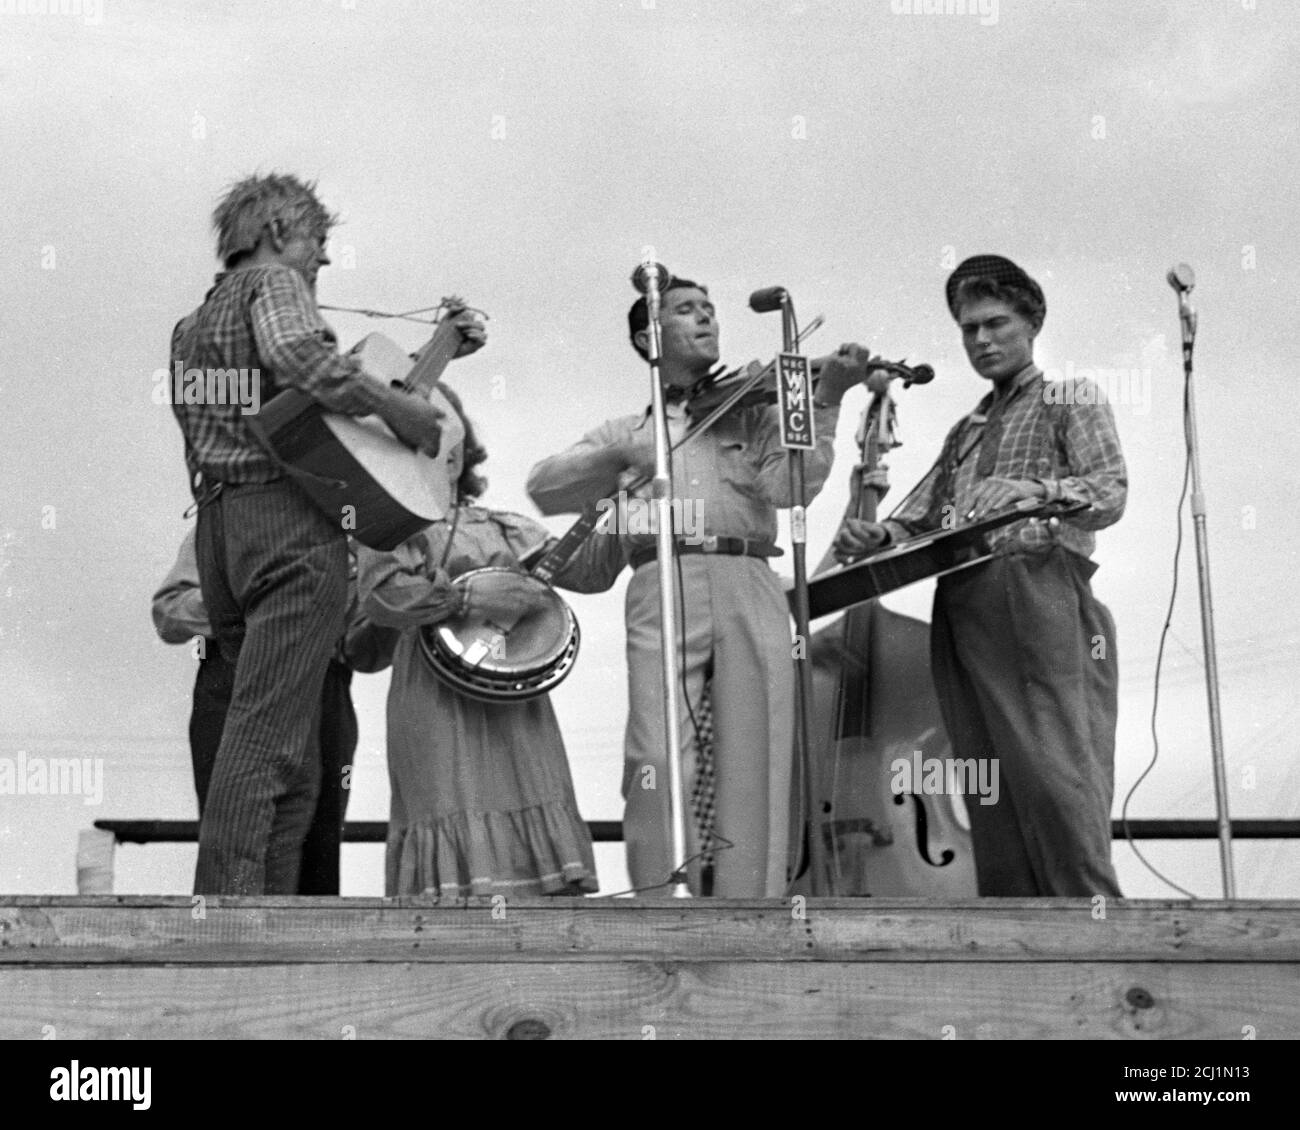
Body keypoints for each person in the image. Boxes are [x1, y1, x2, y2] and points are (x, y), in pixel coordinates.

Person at [169, 172, 482, 894]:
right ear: (278, 232)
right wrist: (398, 412)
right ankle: (233, 916)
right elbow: (301, 360)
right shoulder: (275, 287)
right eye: (317, 240)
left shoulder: (189, 328)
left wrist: (427, 365)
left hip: (221, 527)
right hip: (285, 523)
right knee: (269, 738)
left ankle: (270, 910)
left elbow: (278, 411)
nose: (323, 262)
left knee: (297, 757)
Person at [526, 277, 872, 896]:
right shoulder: (624, 432)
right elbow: (545, 489)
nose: (706, 318)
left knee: (757, 753)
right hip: (660, 580)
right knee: (654, 755)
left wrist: (824, 400)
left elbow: (790, 491)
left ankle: (753, 911)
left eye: (710, 310)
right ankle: (660, 901)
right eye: (685, 310)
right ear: (648, 336)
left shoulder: (760, 407)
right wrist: (620, 460)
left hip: (749, 573)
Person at [833, 255, 1127, 896]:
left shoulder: (1067, 397)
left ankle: (1097, 918)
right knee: (982, 773)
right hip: (963, 602)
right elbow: (920, 518)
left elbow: (1110, 492)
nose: (981, 341)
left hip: (1039, 586)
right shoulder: (964, 430)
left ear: (1033, 321)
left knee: (1055, 769)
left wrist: (1033, 489)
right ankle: (1018, 928)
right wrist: (878, 533)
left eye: (995, 323)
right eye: (969, 329)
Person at [355, 388, 615, 897]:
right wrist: (468, 602)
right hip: (433, 696)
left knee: (530, 791)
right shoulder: (387, 522)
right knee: (449, 800)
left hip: (514, 697)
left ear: (463, 448)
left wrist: (624, 507)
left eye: (448, 431)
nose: (439, 447)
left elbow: (588, 571)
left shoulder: (502, 524)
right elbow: (383, 597)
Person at [151, 530, 387, 893]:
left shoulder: (353, 530)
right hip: (235, 677)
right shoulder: (226, 519)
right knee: (233, 842)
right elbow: (169, 614)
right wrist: (264, 602)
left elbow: (363, 651)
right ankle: (229, 941)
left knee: (318, 853)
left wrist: (394, 604)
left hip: (325, 684)